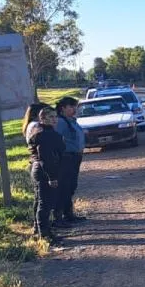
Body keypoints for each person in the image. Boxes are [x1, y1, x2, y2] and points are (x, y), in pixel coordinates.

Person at [27, 107, 65, 244]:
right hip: (44, 170)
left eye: (55, 117)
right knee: (45, 203)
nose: (54, 120)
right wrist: (52, 177)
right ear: (42, 119)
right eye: (50, 117)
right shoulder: (46, 135)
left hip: (38, 168)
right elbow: (46, 157)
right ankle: (44, 234)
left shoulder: (43, 132)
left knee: (39, 200)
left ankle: (40, 231)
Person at [53, 96, 86, 226]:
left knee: (71, 186)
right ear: (62, 108)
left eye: (75, 106)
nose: (74, 109)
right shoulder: (61, 122)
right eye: (71, 107)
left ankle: (68, 214)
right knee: (65, 187)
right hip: (66, 158)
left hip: (74, 156)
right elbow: (56, 140)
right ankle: (59, 217)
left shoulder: (71, 120)